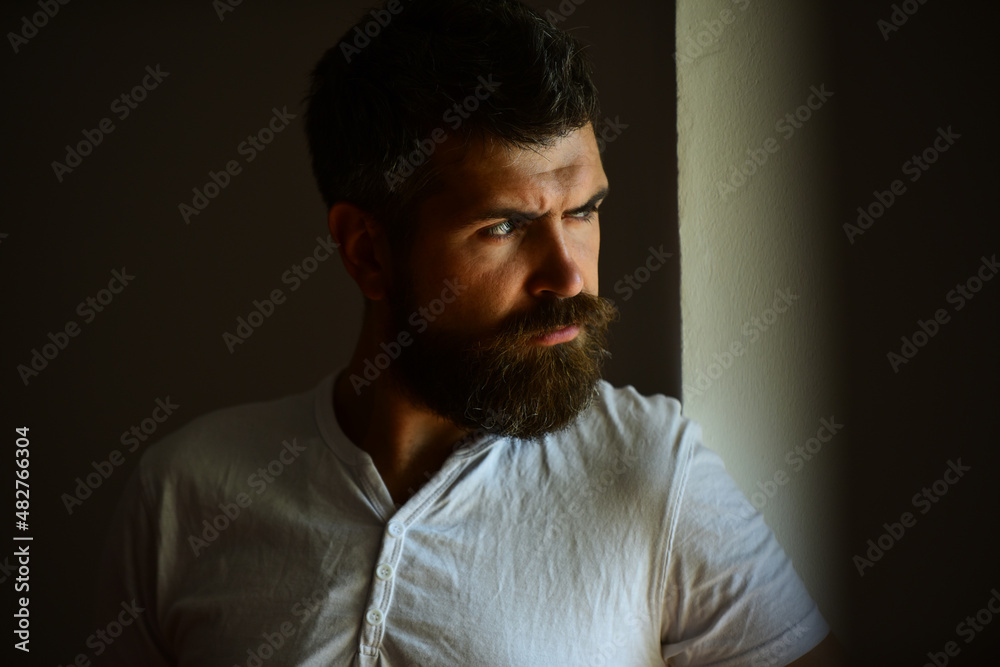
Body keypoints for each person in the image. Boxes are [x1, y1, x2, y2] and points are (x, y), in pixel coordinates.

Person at [98, 0, 845, 664]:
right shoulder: (184, 493)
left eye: (583, 211)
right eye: (505, 226)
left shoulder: (653, 470)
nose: (570, 275)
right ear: (367, 251)